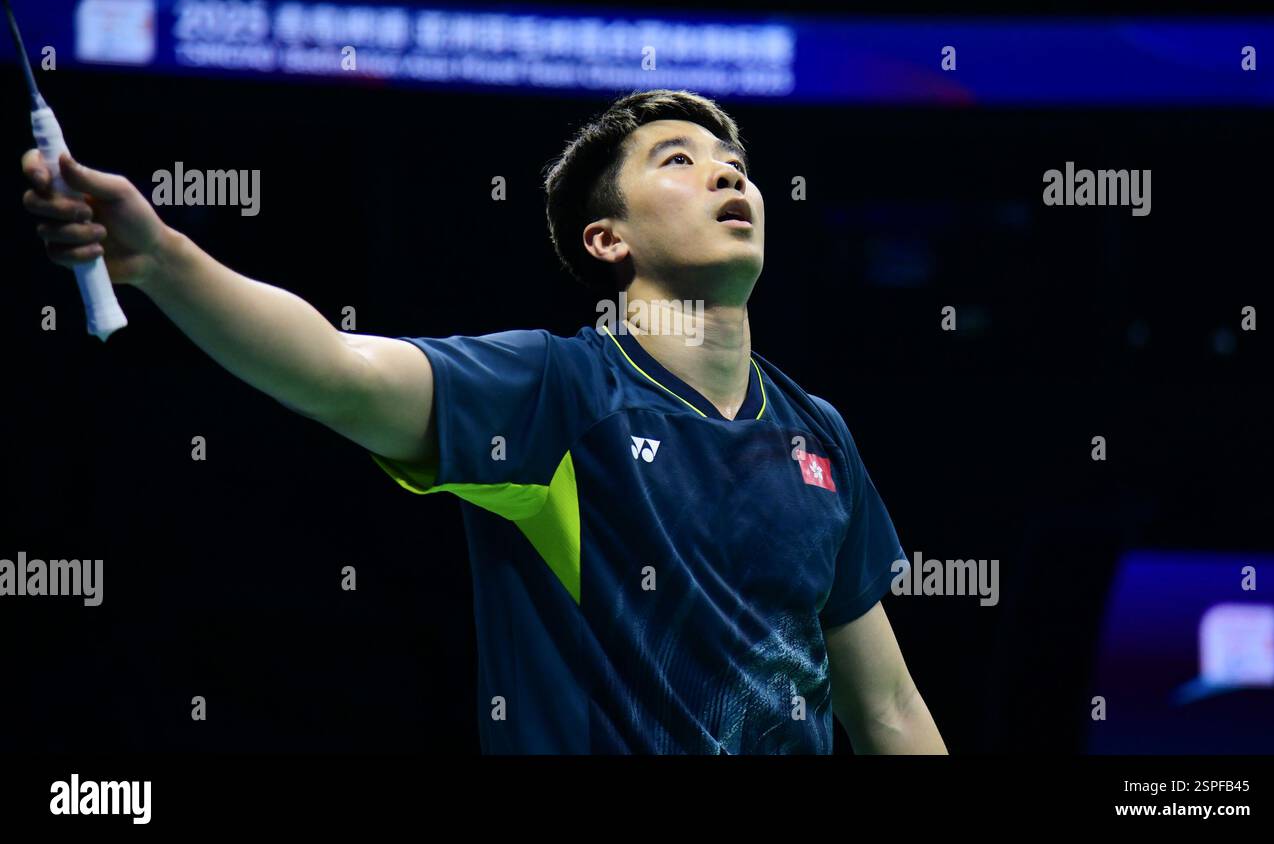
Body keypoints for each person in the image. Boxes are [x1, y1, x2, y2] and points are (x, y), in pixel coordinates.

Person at [21, 88, 946, 754]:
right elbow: (335, 368)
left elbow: (890, 710)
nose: (725, 176)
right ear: (607, 239)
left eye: (735, 166)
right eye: (681, 161)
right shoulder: (556, 395)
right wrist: (163, 259)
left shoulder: (816, 434)